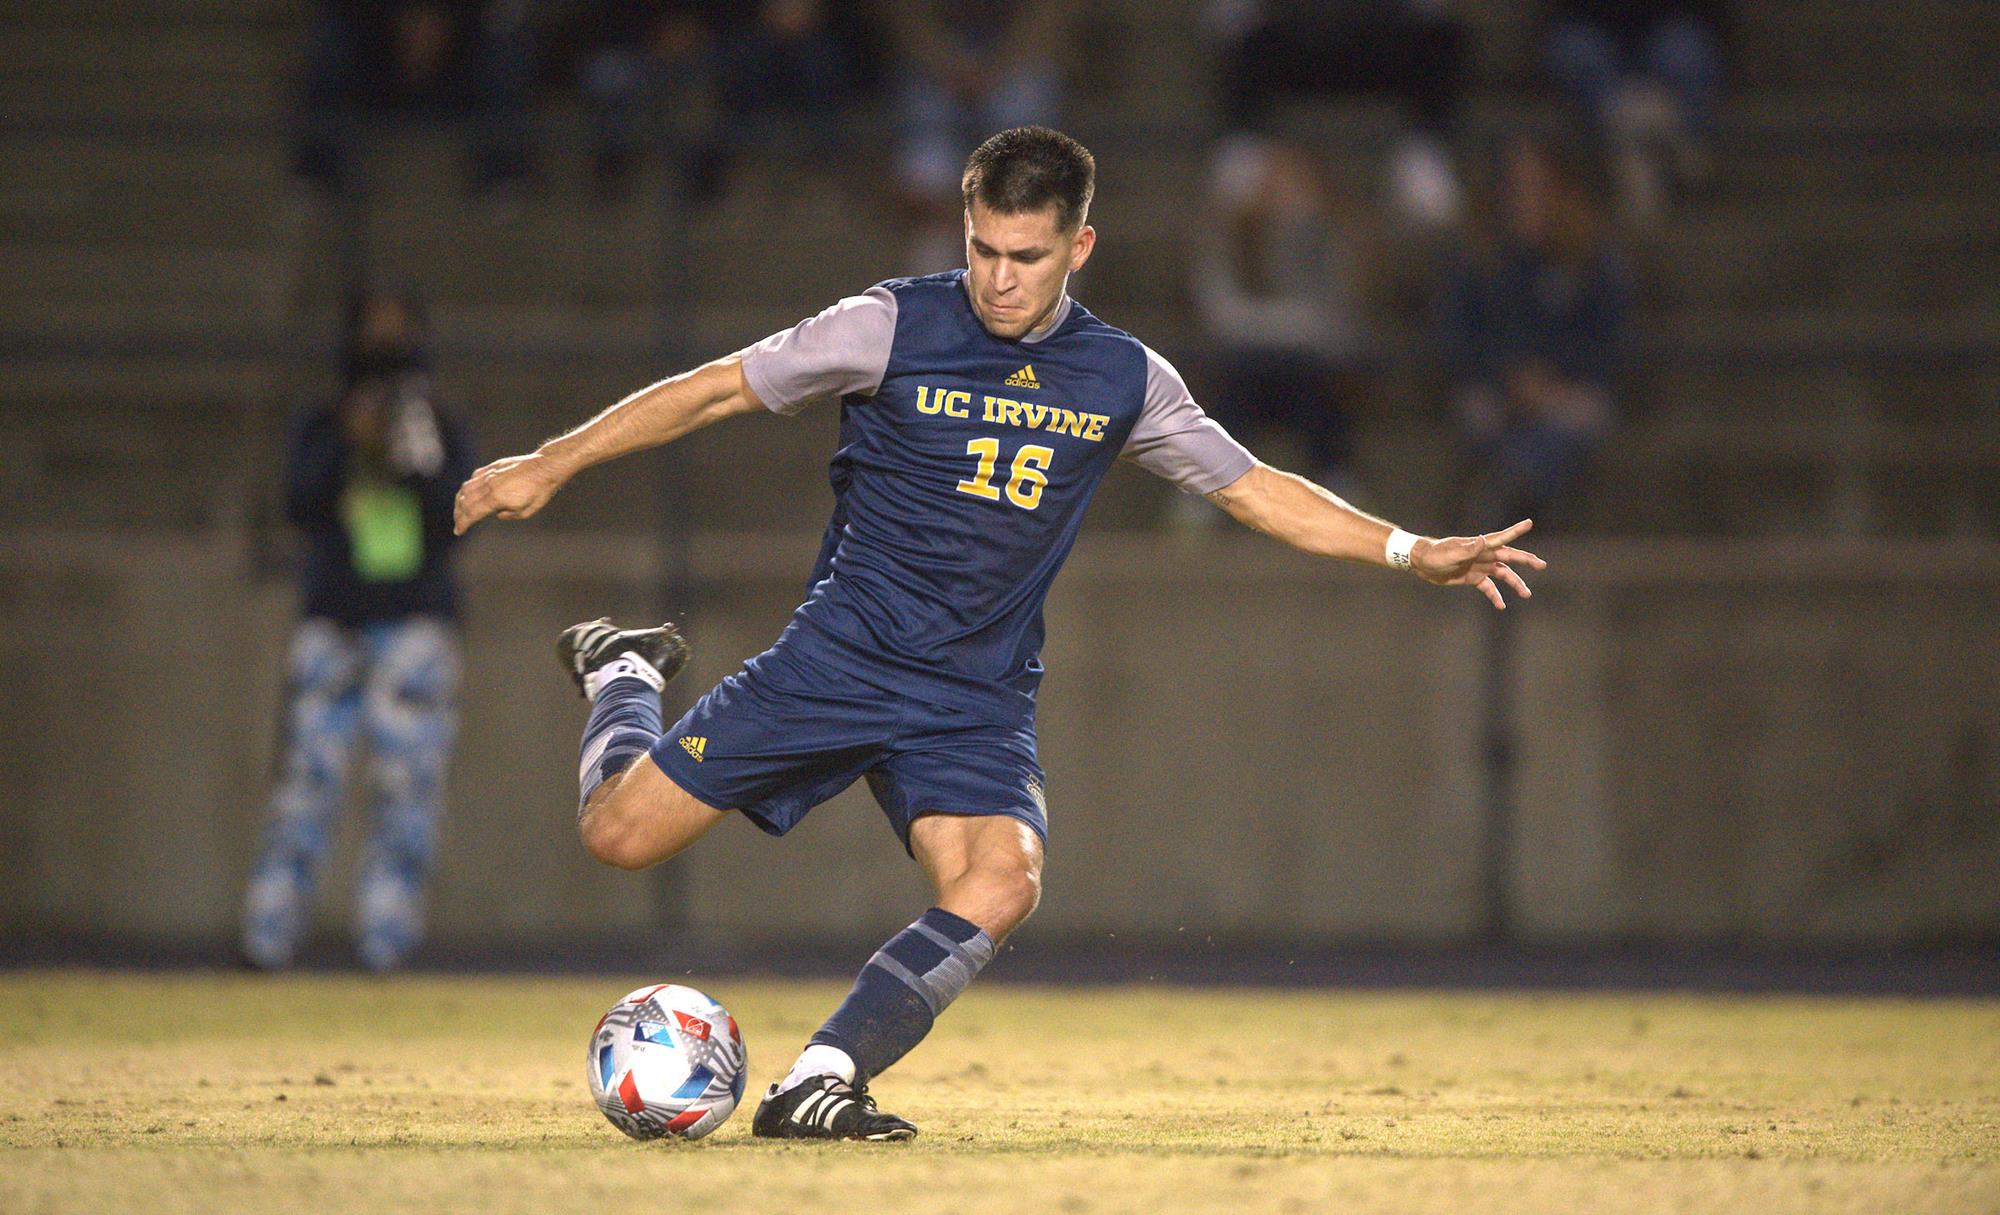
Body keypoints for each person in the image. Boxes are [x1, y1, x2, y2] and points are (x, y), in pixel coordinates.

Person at [452, 127, 1544, 1139]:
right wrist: (551, 461)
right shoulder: (886, 323)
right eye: (980, 249)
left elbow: (1255, 491)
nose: (998, 278)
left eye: (1024, 255)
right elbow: (714, 392)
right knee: (616, 839)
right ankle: (627, 671)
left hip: (972, 699)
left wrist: (1410, 549)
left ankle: (817, 1079)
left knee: (1004, 877)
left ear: (1079, 245)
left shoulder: (1123, 377)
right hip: (841, 659)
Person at [242, 288, 477, 972]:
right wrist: (350, 443)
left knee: (407, 796)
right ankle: (268, 940)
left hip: (415, 630)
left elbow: (456, 512)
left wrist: (409, 449)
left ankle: (387, 946)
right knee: (302, 790)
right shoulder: (321, 424)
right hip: (333, 628)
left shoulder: (439, 425)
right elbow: (298, 501)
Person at [1437, 133, 1627, 528]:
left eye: (1539, 188)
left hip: (1568, 388)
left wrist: (1553, 381)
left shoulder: (1589, 260)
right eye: (1518, 189)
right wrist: (1509, 377)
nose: (1528, 201)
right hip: (1496, 387)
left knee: (1576, 418)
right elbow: (1457, 339)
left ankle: (1515, 490)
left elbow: (1610, 342)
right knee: (1479, 415)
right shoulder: (1480, 260)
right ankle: (1513, 496)